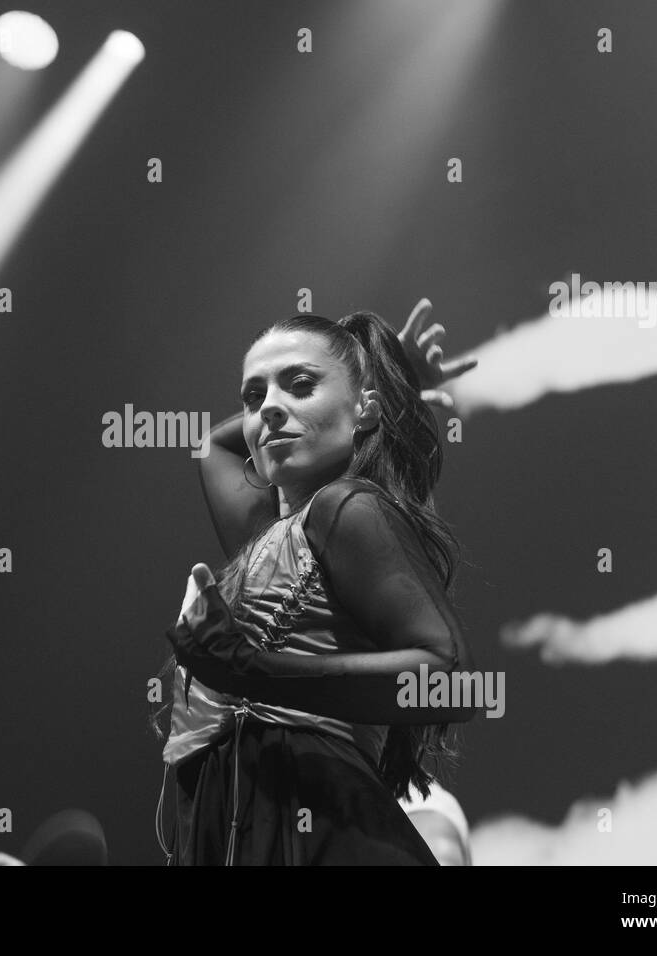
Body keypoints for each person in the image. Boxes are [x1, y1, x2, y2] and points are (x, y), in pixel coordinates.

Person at [158, 300, 479, 865]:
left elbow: (448, 677)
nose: (270, 410)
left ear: (364, 411)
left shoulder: (347, 508)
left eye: (300, 385)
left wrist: (250, 670)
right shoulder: (272, 537)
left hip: (326, 830)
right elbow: (215, 446)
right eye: (253, 397)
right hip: (244, 830)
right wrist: (380, 374)